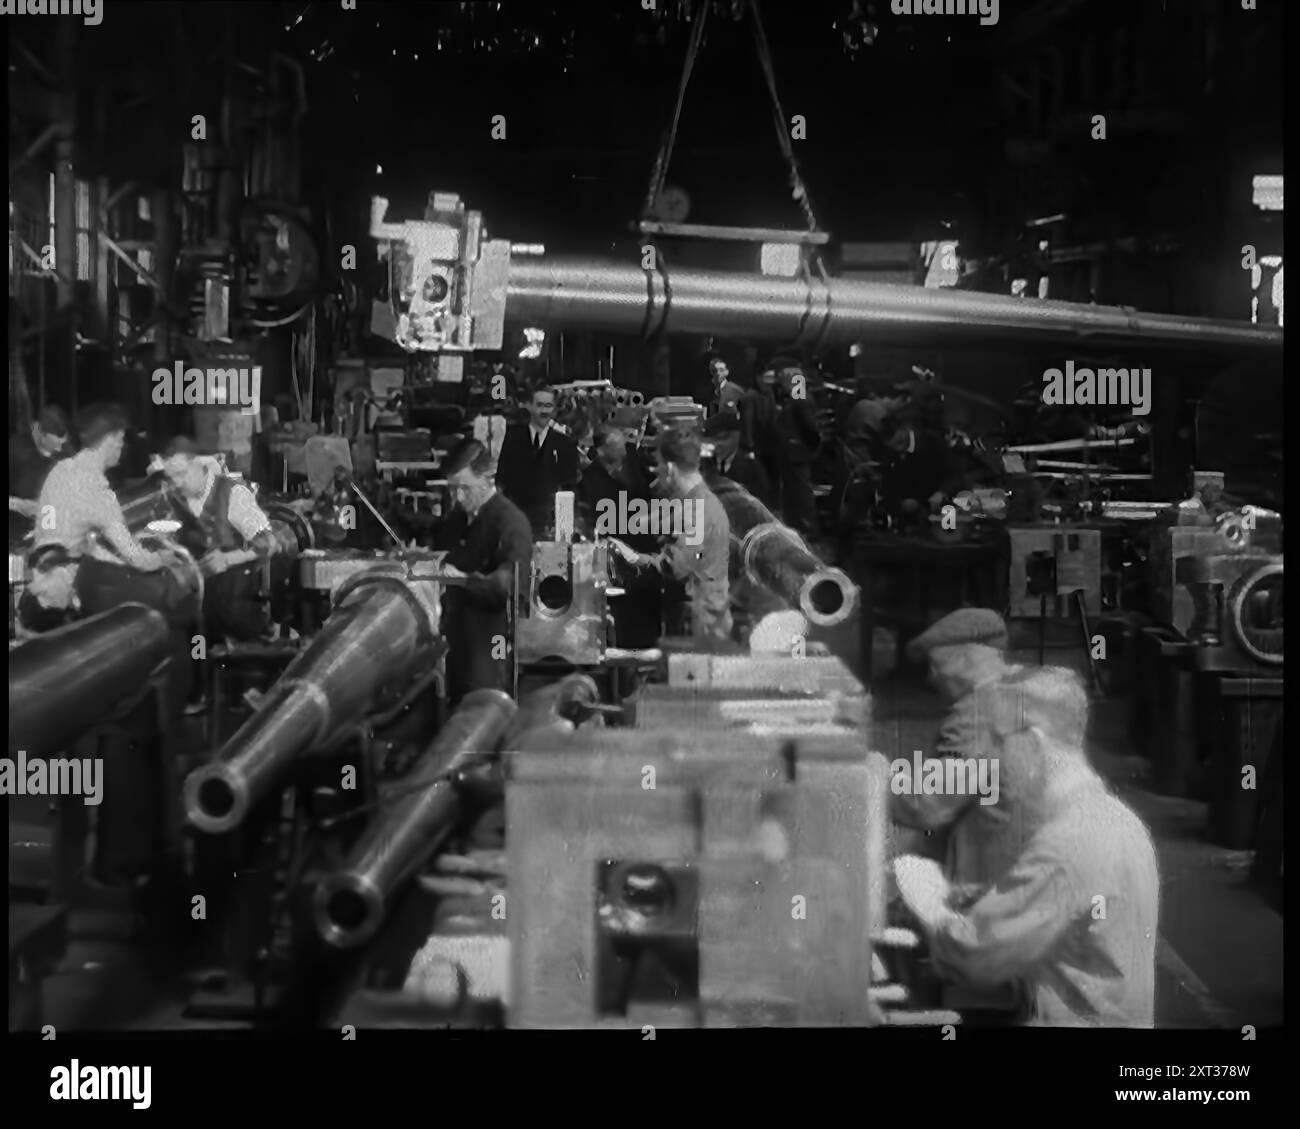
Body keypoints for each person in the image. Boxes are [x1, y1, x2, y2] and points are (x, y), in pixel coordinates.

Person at [895, 667, 1160, 1028]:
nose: (992, 760)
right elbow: (1063, 910)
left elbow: (976, 955)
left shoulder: (1070, 842)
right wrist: (973, 897)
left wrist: (925, 898)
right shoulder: (1117, 820)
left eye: (998, 742)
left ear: (1033, 741)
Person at [890, 608, 1030, 889]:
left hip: (986, 880)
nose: (931, 677)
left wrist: (873, 778)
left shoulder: (979, 712)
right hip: (1021, 862)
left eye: (935, 664)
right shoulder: (1025, 690)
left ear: (967, 657)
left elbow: (931, 803)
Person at [609, 431, 732, 646]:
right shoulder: (698, 502)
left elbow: (676, 567)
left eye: (659, 466)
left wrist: (632, 558)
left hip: (698, 626)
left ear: (671, 469)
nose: (657, 472)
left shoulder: (696, 509)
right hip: (703, 619)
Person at [438, 439, 534, 705]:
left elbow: (510, 586)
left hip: (492, 645)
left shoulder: (510, 523)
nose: (457, 497)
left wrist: (463, 580)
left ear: (488, 478)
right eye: (452, 489)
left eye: (464, 488)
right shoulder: (458, 520)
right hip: (456, 641)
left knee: (484, 712)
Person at [159, 436, 278, 645]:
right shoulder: (174, 500)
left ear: (200, 464)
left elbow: (269, 543)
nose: (177, 483)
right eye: (171, 477)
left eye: (181, 474)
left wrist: (228, 559)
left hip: (238, 609)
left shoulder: (233, 493)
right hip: (201, 614)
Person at [578, 423, 662, 649]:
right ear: (602, 450)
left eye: (624, 446)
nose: (623, 451)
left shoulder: (638, 462)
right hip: (613, 558)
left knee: (649, 618)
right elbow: (584, 516)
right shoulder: (589, 477)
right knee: (623, 620)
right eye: (616, 447)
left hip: (646, 550)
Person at [495, 385, 581, 538]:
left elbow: (569, 488)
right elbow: (501, 480)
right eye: (540, 405)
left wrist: (564, 530)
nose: (544, 411)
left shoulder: (565, 444)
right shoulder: (511, 439)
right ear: (529, 406)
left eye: (548, 406)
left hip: (549, 523)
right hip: (516, 519)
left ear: (554, 409)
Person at [876, 414, 969, 528]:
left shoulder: (932, 443)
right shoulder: (889, 452)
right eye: (893, 447)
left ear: (906, 429)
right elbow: (888, 482)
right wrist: (899, 503)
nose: (898, 449)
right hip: (907, 518)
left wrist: (941, 493)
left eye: (900, 442)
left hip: (942, 515)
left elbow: (956, 475)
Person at [770, 355, 822, 536]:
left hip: (797, 453)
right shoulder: (796, 399)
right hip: (792, 453)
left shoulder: (800, 399)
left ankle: (807, 527)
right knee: (794, 491)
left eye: (783, 380)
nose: (780, 383)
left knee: (800, 492)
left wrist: (808, 446)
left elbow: (810, 429)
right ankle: (798, 526)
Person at [9, 406, 71, 541]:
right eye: (56, 444)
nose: (60, 449)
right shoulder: (15, 451)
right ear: (42, 435)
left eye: (62, 443)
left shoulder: (63, 453)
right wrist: (19, 505)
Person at [703, 411, 772, 505]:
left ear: (736, 437)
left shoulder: (751, 468)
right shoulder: (702, 465)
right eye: (711, 441)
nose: (716, 445)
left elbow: (763, 502)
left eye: (721, 439)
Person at [15, 543, 81, 636]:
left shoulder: (58, 574)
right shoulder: (60, 572)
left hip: (54, 613)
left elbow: (29, 591)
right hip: (54, 613)